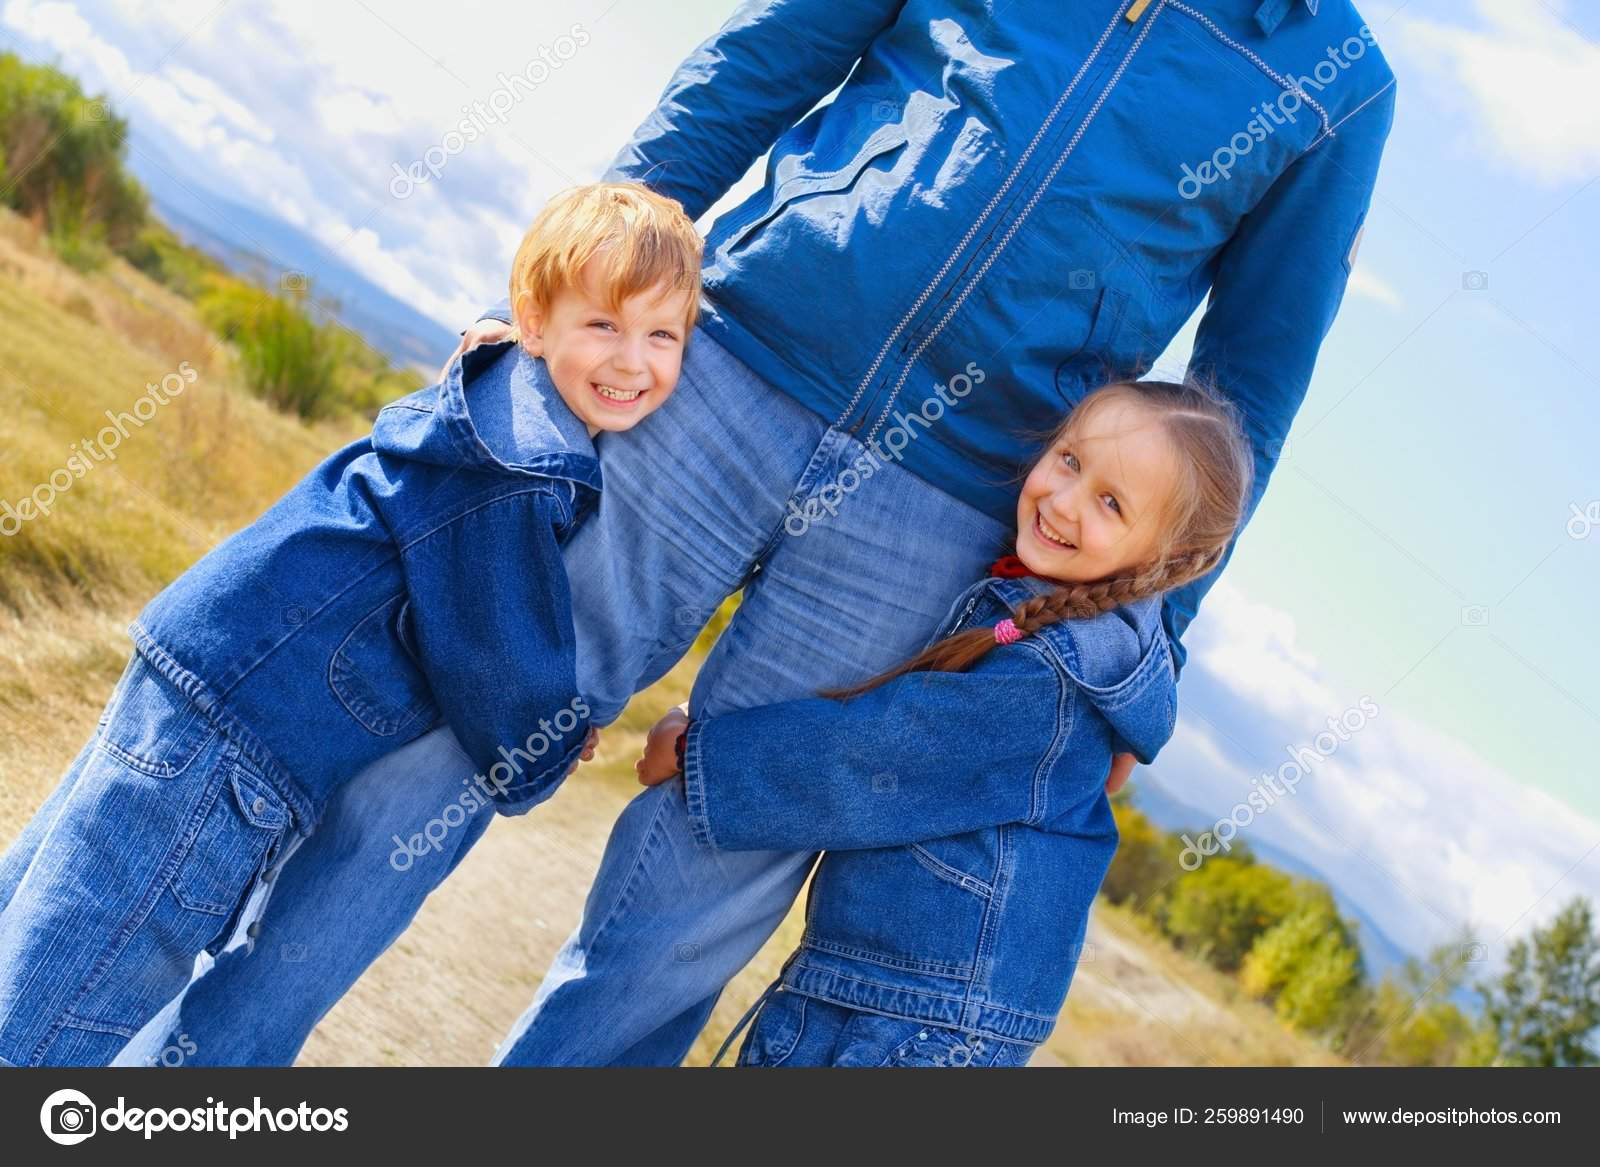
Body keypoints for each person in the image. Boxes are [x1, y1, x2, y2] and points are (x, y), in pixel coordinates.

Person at [122, 0, 1396, 1066]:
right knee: (451, 731)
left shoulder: (1335, 85)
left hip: (949, 506)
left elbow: (1245, 393)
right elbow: (761, 58)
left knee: (700, 882)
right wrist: (578, 293)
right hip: (716, 370)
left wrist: (1144, 639)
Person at [0, 182, 700, 1066]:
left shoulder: (487, 398)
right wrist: (553, 741)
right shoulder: (520, 465)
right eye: (604, 325)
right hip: (244, 740)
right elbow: (495, 654)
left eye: (662, 335)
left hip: (200, 675)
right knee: (87, 980)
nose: (634, 360)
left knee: (43, 922)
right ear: (532, 321)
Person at [633, 380, 1250, 1066]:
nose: (1065, 500)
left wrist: (702, 757)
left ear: (1167, 562)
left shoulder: (1053, 677)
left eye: (1111, 503)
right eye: (1071, 460)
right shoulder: (1032, 608)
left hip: (914, 1026)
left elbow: (877, 755)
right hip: (897, 998)